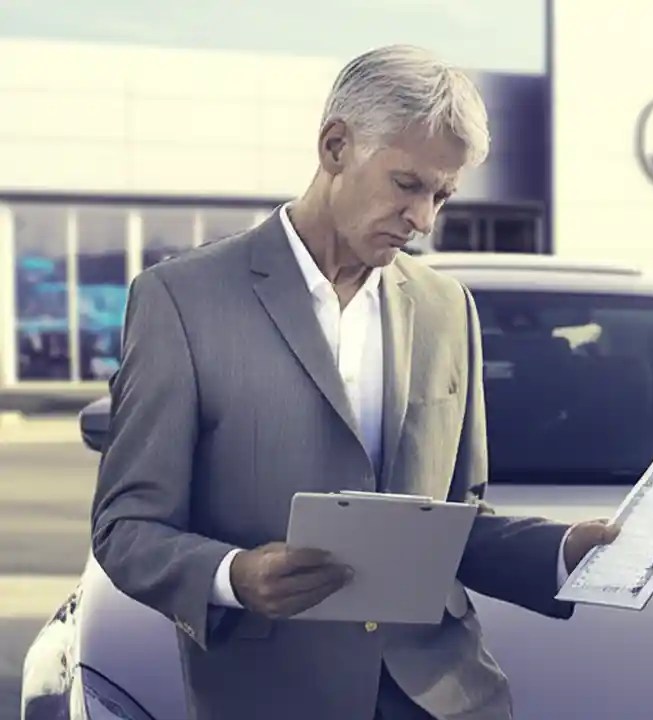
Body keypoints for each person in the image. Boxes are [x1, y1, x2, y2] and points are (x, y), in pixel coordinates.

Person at [89, 44, 619, 720]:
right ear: (336, 145)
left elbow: (456, 522)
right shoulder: (182, 301)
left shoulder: (446, 309)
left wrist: (564, 551)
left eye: (442, 196)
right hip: (272, 697)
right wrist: (234, 577)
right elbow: (128, 528)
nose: (424, 219)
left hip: (449, 697)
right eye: (408, 185)